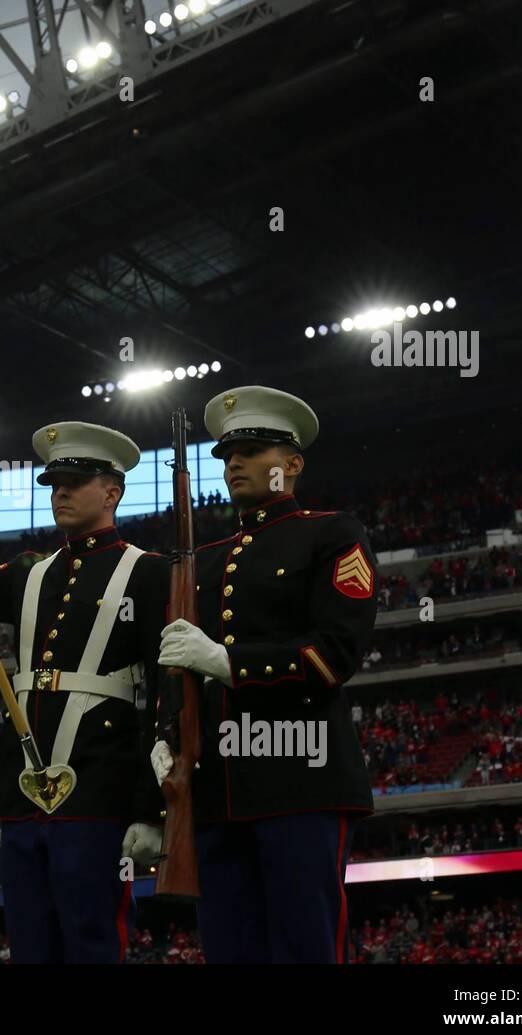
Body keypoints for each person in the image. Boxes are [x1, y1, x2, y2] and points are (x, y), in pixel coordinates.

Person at [0, 421, 168, 963]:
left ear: (112, 491)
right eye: (53, 484)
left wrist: (151, 805)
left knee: (92, 938)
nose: (60, 492)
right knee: (29, 942)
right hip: (24, 786)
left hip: (99, 784)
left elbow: (162, 696)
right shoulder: (31, 573)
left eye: (74, 482)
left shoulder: (149, 572)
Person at [154, 385, 377, 963]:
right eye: (228, 455)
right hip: (217, 791)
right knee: (229, 949)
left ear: (293, 464)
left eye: (251, 451)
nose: (234, 464)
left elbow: (333, 655)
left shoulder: (333, 534)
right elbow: (174, 667)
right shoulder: (203, 558)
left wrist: (227, 662)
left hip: (299, 778)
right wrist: (164, 738)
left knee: (306, 945)